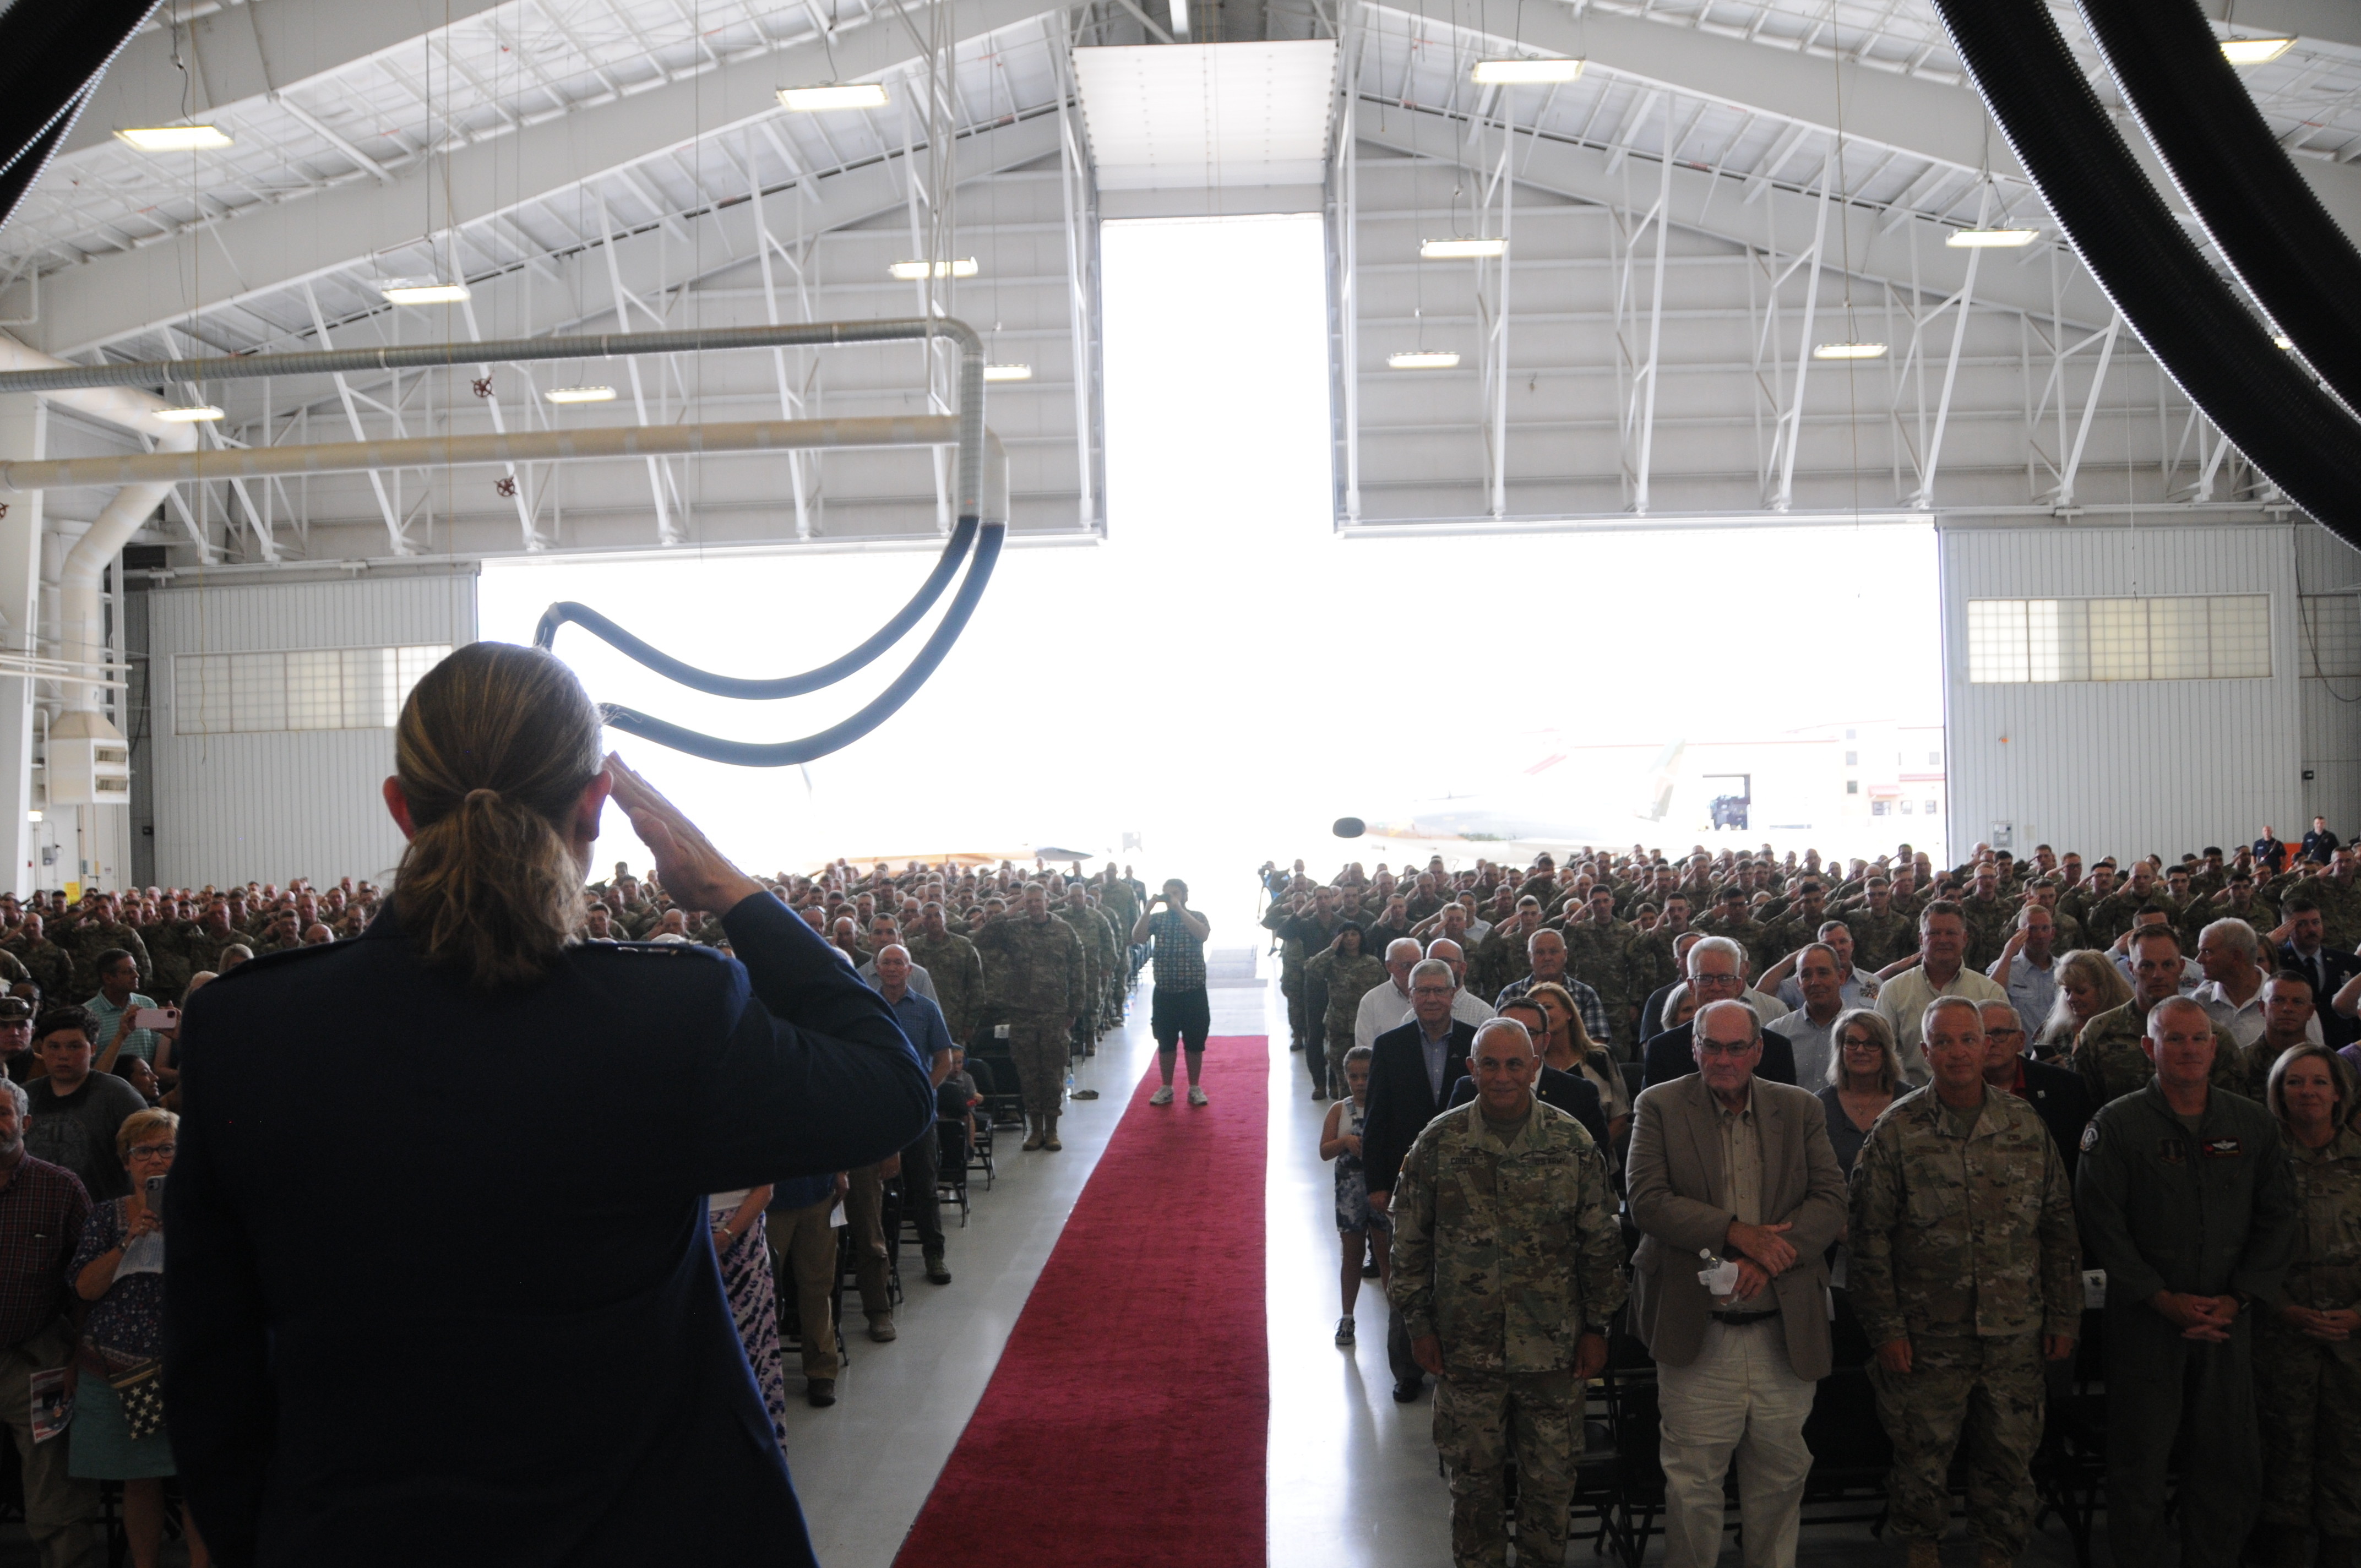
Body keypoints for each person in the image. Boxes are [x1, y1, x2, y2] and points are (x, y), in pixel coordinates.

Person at [163, 642, 934, 1568]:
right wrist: (732, 889)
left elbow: (210, 1363)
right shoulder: (668, 1014)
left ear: (401, 808)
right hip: (643, 1531)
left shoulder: (247, 1029)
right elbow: (890, 1089)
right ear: (597, 803)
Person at [1847, 997, 2081, 1568]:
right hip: (1926, 1338)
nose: (1956, 1052)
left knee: (2008, 1461)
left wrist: (2064, 1315)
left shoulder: (2024, 1123)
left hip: (2014, 1331)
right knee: (1920, 1462)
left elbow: (2056, 1226)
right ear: (1925, 1052)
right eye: (1943, 1042)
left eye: (1967, 1039)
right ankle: (1922, 1552)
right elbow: (1868, 1239)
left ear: (1988, 1045)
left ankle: (1996, 1556)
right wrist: (1886, 1330)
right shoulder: (1895, 1131)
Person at [1388, 1017, 1626, 1568]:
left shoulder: (1570, 1142)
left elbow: (1601, 1243)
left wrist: (1598, 1327)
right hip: (1465, 1353)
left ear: (1534, 1066)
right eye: (1489, 1064)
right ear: (1470, 1069)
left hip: (1554, 1353)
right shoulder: (1438, 1143)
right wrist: (1418, 1325)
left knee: (1548, 1493)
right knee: (1474, 1495)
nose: (1501, 1076)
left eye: (1514, 1063)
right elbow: (1409, 1243)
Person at [2074, 995, 2298, 1568]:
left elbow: (2278, 1217)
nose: (2189, 1049)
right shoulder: (2116, 1124)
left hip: (2230, 1323)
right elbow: (2103, 1225)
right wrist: (2160, 1298)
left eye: (2198, 1038)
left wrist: (2238, 1296)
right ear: (2149, 1047)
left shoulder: (2249, 1123)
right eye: (2173, 1038)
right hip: (2146, 1324)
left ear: (2215, 1045)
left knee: (2227, 1463)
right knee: (2139, 1466)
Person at [1626, 998, 1848, 1568]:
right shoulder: (1659, 1105)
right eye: (1712, 1046)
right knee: (1693, 1484)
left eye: (1735, 1047)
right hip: (1697, 1331)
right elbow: (1647, 1201)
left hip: (1781, 1329)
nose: (1723, 1059)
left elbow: (1830, 1199)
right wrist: (1736, 1234)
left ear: (1757, 1050)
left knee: (1779, 1479)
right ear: (1694, 1046)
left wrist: (1770, 1256)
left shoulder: (1798, 1108)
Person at [70, 1106, 206, 1568]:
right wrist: (129, 1239)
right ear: (126, 1162)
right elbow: (85, 1287)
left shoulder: (208, 1214)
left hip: (194, 1366)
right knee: (139, 1480)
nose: (155, 1160)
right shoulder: (106, 1216)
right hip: (120, 1372)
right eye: (143, 1151)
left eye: (166, 1148)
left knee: (198, 1476)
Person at [2251, 1043, 2361, 1568]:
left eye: (2319, 1082)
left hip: (2353, 1334)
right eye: (2295, 1082)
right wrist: (2283, 1308)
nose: (2308, 1092)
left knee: (2349, 1448)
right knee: (2283, 1447)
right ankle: (2284, 1547)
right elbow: (2240, 1243)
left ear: (2339, 1092)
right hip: (2281, 1330)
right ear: (2278, 1091)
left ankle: (2341, 1547)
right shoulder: (2261, 1159)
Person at [1366, 959, 1481, 1403]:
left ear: (1455, 994)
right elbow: (1375, 1120)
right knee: (1409, 1275)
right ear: (1410, 996)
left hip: (1468, 1180)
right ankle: (1408, 1368)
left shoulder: (1476, 1043)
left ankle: (1461, 1359)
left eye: (1440, 990)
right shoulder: (1389, 1046)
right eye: (1423, 991)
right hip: (1405, 1182)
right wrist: (1377, 1183)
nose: (1432, 998)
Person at [863, 945, 955, 1287]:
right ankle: (886, 1260)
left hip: (918, 1115)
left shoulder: (927, 1010)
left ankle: (934, 1254)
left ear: (909, 969)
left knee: (924, 1185)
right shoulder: (866, 1007)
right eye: (885, 962)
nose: (891, 968)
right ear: (877, 968)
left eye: (898, 963)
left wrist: (923, 1093)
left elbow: (944, 1060)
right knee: (881, 1191)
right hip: (879, 1112)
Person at [974, 884, 1085, 1150]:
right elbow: (981, 939)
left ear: (1048, 901)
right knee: (1027, 1074)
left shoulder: (1063, 931)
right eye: (1029, 901)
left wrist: (1074, 1009)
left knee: (1053, 1073)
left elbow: (1078, 970)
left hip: (1054, 1013)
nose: (1034, 905)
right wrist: (1009, 911)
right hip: (1022, 1014)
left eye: (1038, 900)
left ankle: (1053, 1130)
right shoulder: (1014, 929)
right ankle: (1035, 1131)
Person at [25, 1008, 150, 1201]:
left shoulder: (118, 1095)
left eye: (74, 1046)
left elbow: (150, 1155)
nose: (63, 1055)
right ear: (41, 1049)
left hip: (104, 1214)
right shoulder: (25, 1096)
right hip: (40, 1210)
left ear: (93, 1049)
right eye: (54, 1046)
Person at [1875, 902, 2009, 1083]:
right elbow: (1880, 1053)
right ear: (1922, 939)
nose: (1943, 940)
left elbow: (2007, 1058)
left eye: (1951, 933)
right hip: (1912, 1100)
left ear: (1965, 938)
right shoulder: (1894, 990)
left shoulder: (1990, 992)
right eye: (1934, 933)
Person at [1642, 938, 1799, 1090]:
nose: (1716, 987)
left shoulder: (1776, 1049)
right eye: (1705, 978)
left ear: (1738, 985)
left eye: (1725, 978)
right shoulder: (1663, 1050)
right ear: (1691, 986)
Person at [1976, 999, 2095, 1180]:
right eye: (1981, 1035)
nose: (1991, 1043)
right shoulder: (1957, 1090)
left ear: (2020, 1041)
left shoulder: (2065, 1087)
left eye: (2000, 1033)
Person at [1320, 1044, 1388, 1347]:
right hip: (1349, 1194)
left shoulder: (1384, 1105)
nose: (1361, 1083)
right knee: (1352, 1254)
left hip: (1380, 1189)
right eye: (1354, 1077)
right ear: (1345, 1077)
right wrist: (1345, 1141)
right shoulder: (1340, 1110)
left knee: (1386, 1254)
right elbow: (1324, 1151)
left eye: (1366, 1076)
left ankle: (1394, 1316)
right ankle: (1347, 1317)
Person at [767, 1173, 846, 1408]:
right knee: (764, 1290)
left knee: (818, 1286)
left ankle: (821, 1371)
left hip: (819, 1191)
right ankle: (759, 1371)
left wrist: (842, 1172)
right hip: (768, 1198)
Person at [1135, 880, 1212, 1108]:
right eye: (1167, 895)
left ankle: (1194, 1087)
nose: (1170, 898)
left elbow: (1203, 935)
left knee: (1195, 1041)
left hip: (1193, 991)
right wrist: (1148, 909)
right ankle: (1167, 1087)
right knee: (1165, 1041)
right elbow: (1138, 937)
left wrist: (1179, 909)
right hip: (1165, 992)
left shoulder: (1198, 915)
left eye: (1175, 894)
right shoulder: (1157, 920)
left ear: (1185, 895)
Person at [1305, 922, 1386, 1102]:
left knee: (1368, 1076)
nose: (1350, 939)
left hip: (1366, 1026)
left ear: (1361, 937)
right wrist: (1331, 949)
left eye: (1354, 934)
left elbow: (1383, 992)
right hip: (1339, 1028)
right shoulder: (1333, 962)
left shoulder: (1372, 963)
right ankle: (1347, 1120)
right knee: (1343, 1079)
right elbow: (1311, 969)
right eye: (1345, 935)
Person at [1819, 1008, 1903, 1176]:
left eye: (1871, 1044)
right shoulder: (1819, 1106)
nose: (1860, 1050)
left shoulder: (1909, 1102)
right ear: (1840, 1050)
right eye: (1851, 1042)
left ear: (1885, 1051)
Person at [2033, 949, 2129, 1063]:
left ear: (2104, 991)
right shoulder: (2054, 1031)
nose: (2071, 999)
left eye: (2081, 991)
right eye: (2067, 991)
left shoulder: (2127, 1027)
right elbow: (2031, 1072)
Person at [1987, 905, 2061, 1041]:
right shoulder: (2004, 967)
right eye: (2032, 929)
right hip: (2020, 1052)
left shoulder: (2063, 969)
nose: (2040, 935)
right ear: (2019, 933)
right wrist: (2008, 953)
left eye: (2045, 928)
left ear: (2053, 933)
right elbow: (1991, 1000)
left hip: (2057, 1051)